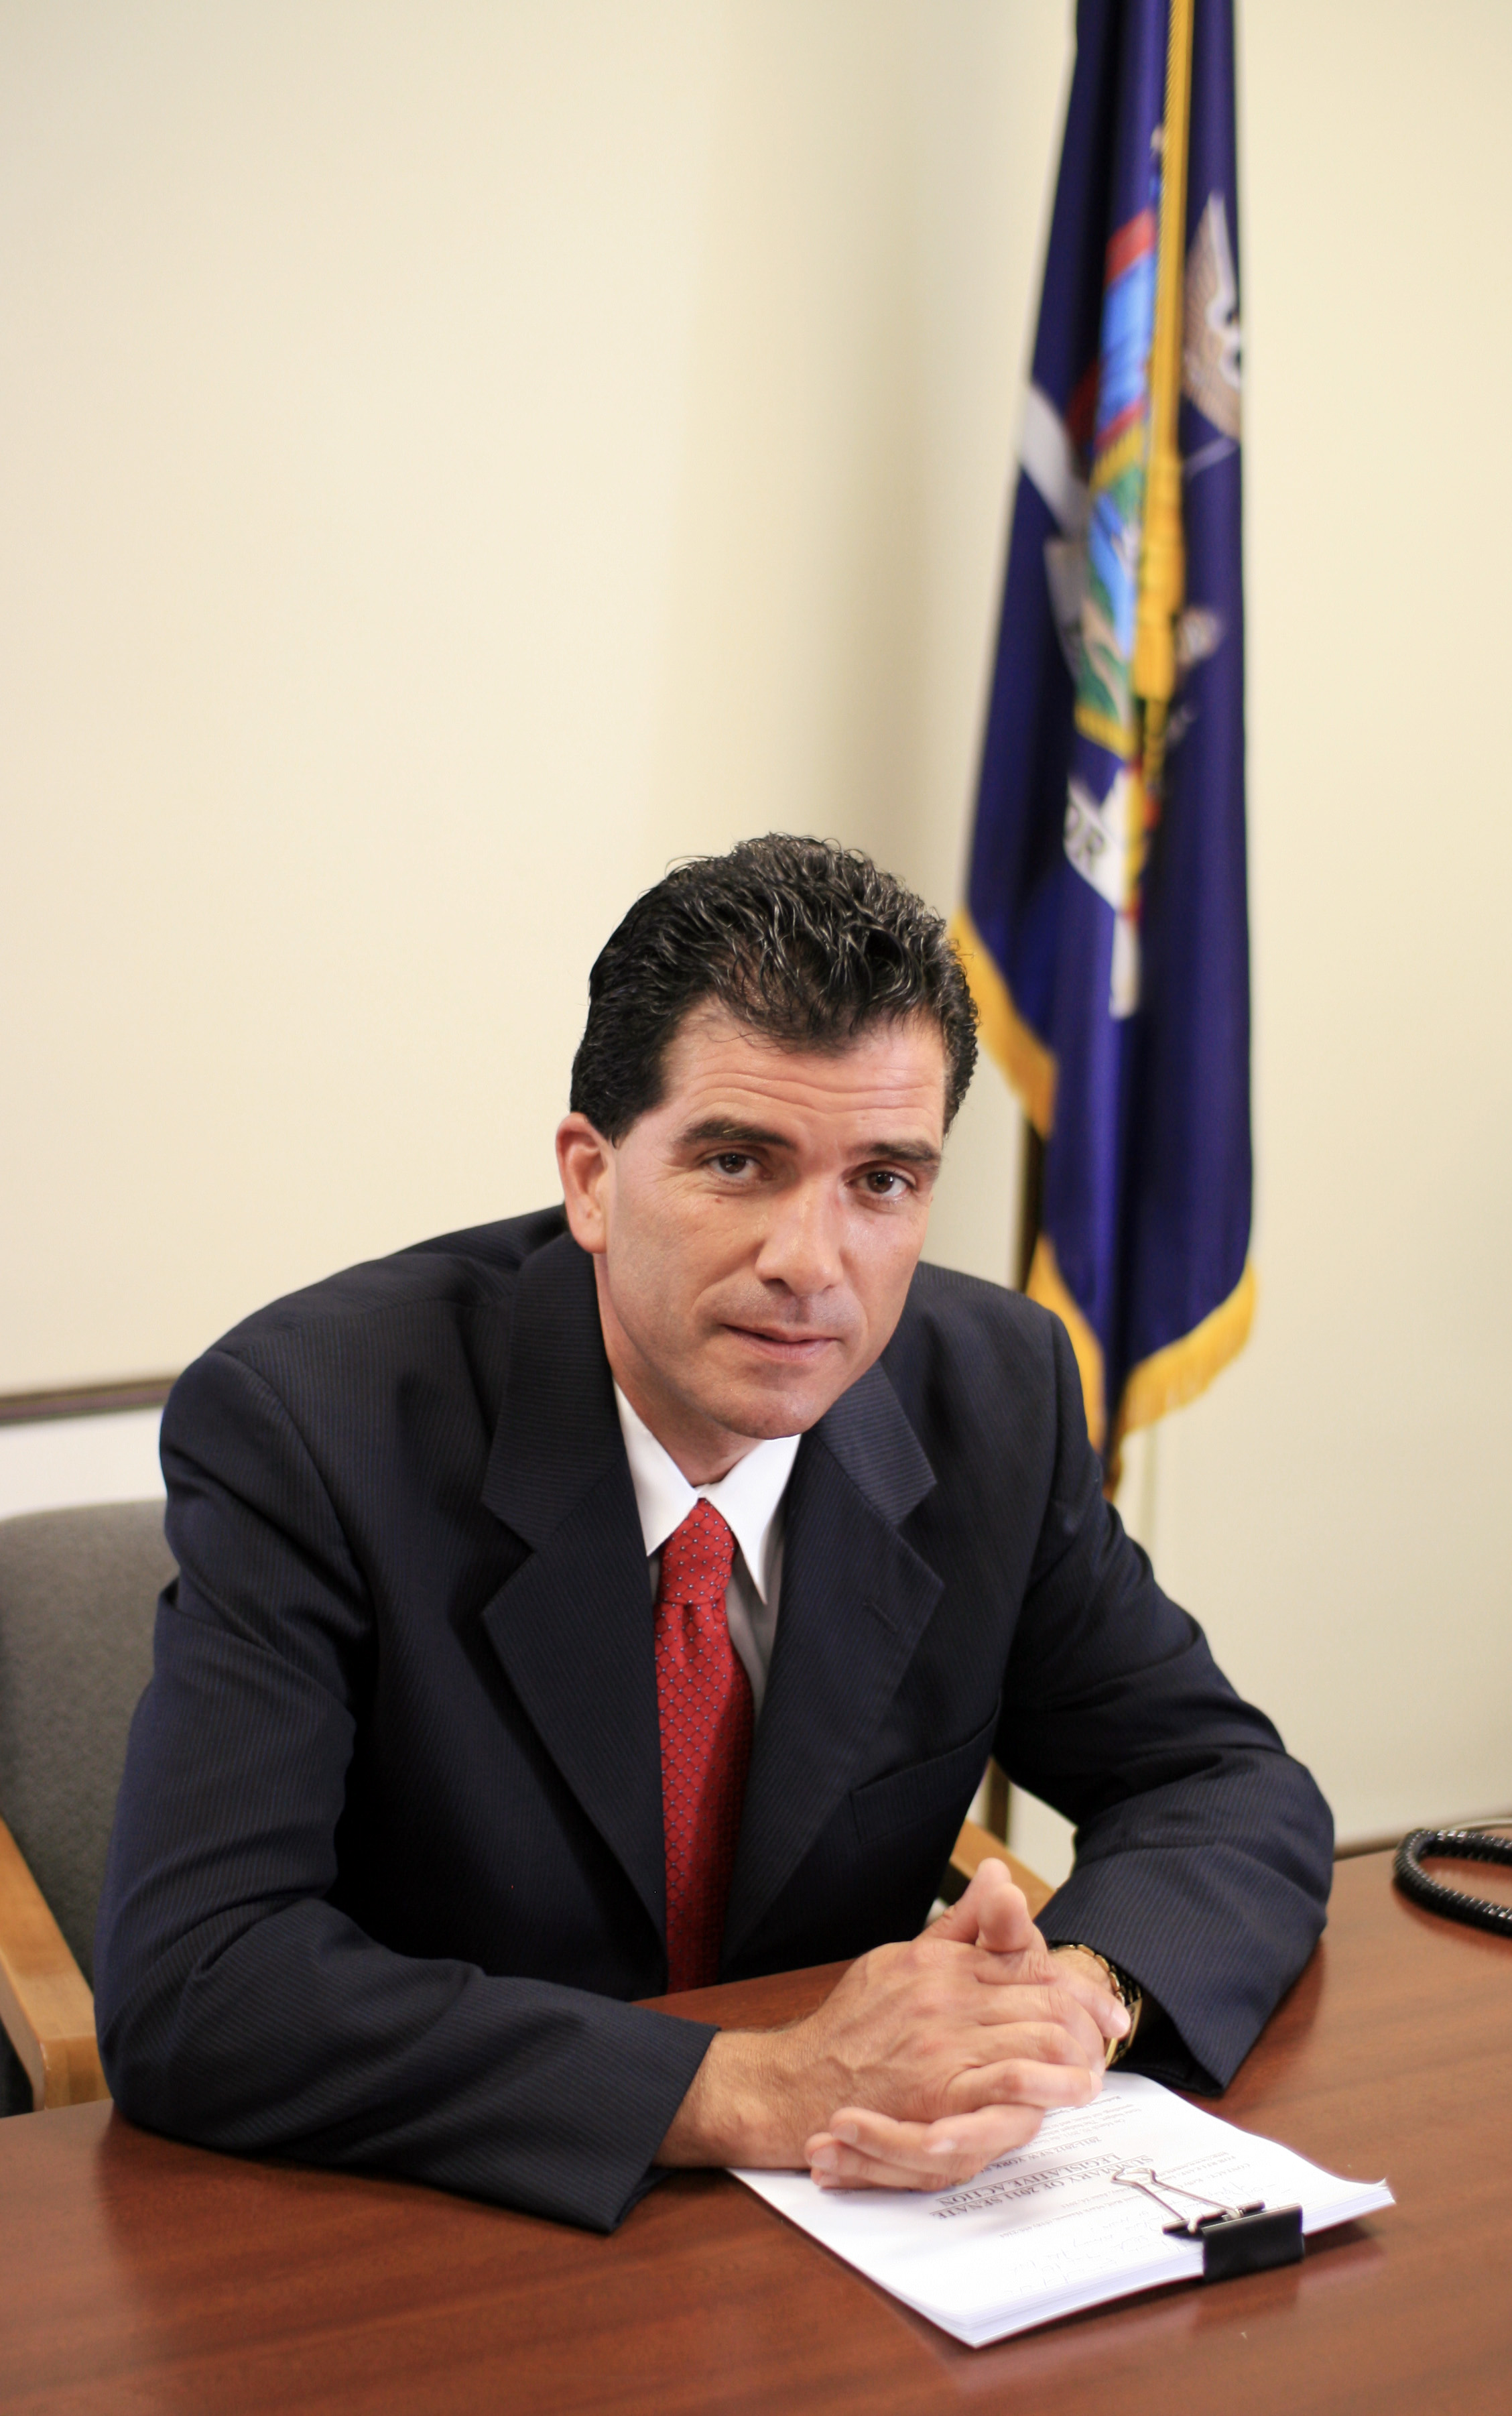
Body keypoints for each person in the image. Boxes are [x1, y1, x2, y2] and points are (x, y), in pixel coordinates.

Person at [95, 836, 1332, 2233]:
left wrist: (1074, 1997)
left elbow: (1226, 1780)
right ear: (589, 1177)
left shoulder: (996, 1395)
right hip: (450, 2220)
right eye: (740, 1160)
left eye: (883, 1179)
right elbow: (199, 1979)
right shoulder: (313, 1421)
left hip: (858, 2232)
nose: (813, 1259)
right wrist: (746, 2085)